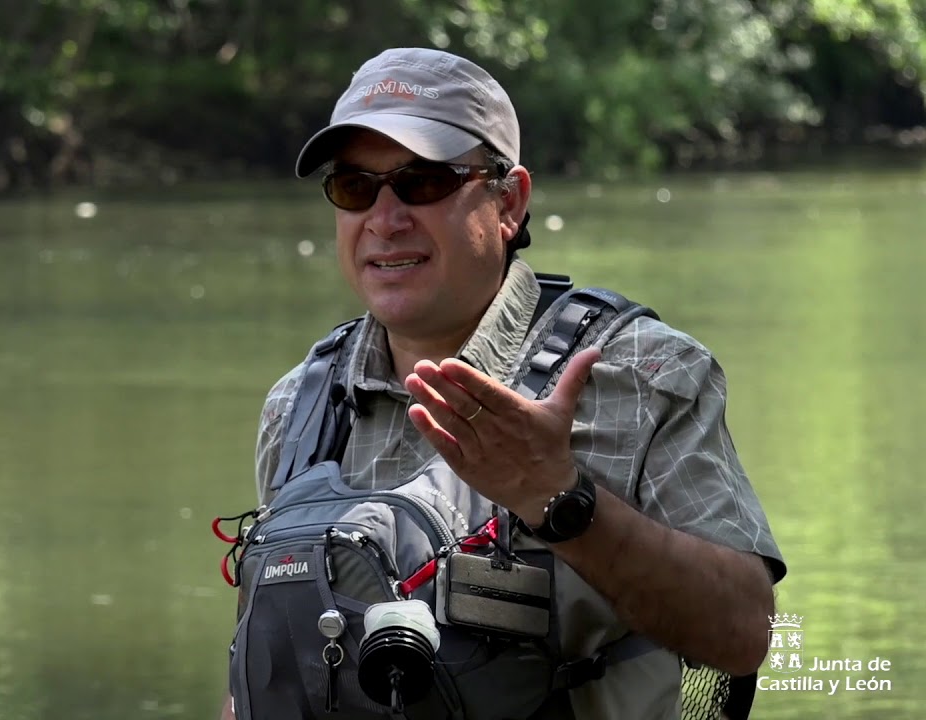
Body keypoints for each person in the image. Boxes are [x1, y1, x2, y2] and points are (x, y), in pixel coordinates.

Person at [217, 47, 786, 720]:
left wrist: (562, 501)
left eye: (422, 181)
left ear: (509, 201)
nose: (385, 216)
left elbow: (743, 634)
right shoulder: (298, 407)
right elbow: (262, 676)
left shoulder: (636, 373)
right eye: (354, 187)